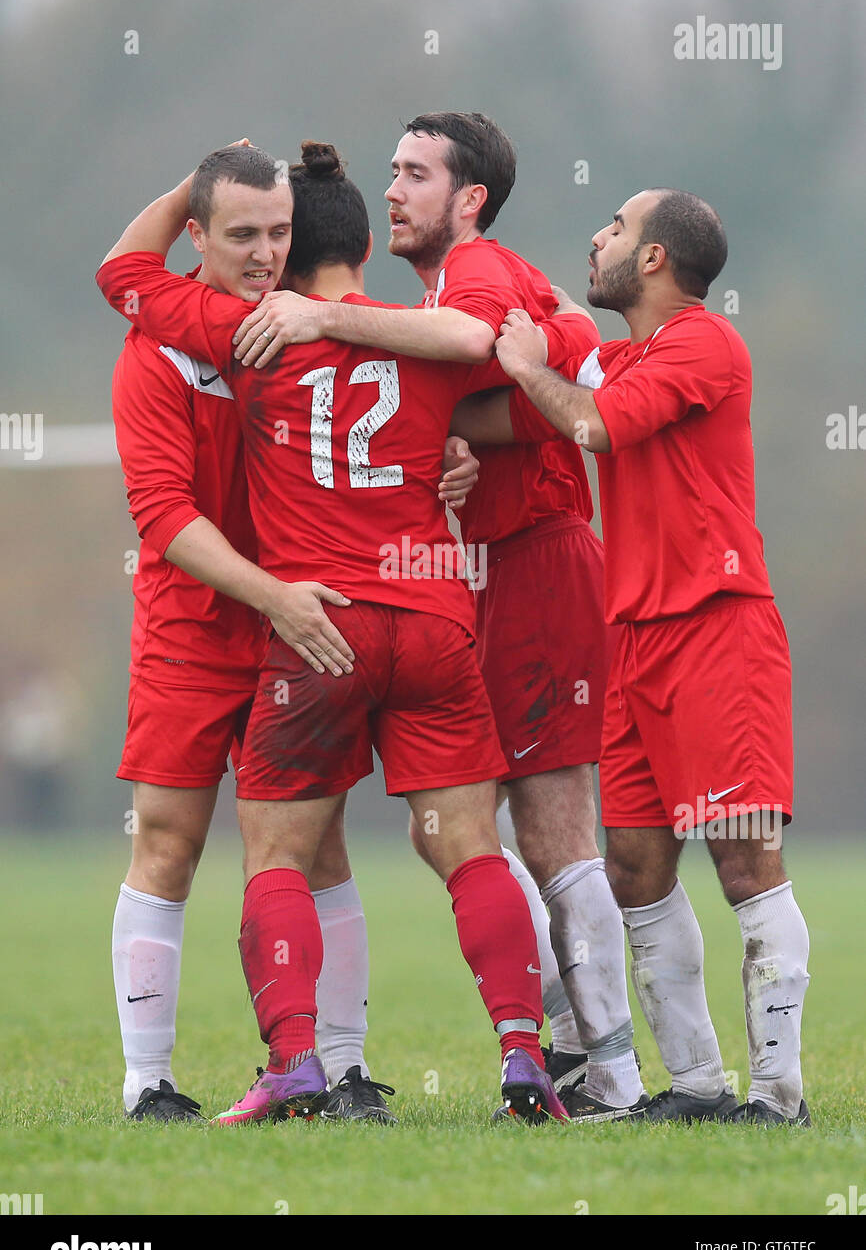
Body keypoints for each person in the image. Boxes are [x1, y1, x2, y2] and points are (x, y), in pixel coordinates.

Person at [97, 141, 570, 1125]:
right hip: (270, 618)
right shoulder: (403, 334)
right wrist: (456, 434)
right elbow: (533, 356)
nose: (264, 252)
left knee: (300, 852)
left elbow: (120, 275)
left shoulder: (256, 335)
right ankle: (153, 1082)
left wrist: (443, 447)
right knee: (180, 842)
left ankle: (321, 1068)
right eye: (240, 233)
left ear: (300, 240)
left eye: (276, 232)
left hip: (321, 631)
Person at [232, 113, 645, 1120]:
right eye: (389, 175)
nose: (396, 189)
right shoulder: (421, 310)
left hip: (523, 565)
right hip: (449, 594)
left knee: (548, 830)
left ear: (469, 200)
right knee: (458, 838)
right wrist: (462, 435)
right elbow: (528, 358)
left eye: (415, 173)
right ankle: (537, 1050)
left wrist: (322, 321)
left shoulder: (476, 274)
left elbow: (517, 340)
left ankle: (610, 1077)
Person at [492, 187, 810, 1125]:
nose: (599, 237)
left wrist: (520, 358)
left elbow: (590, 422)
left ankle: (779, 1099)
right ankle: (701, 1089)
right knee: (634, 868)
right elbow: (559, 395)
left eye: (617, 228)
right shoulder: (628, 357)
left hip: (719, 630)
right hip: (634, 644)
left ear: (659, 260)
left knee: (746, 861)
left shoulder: (706, 344)